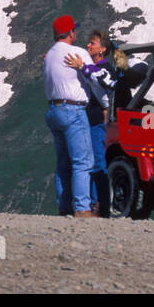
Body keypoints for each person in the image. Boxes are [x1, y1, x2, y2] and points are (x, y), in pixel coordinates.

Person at [44, 14, 97, 218]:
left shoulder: (48, 56)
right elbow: (94, 79)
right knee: (82, 161)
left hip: (53, 110)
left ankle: (64, 207)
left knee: (63, 162)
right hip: (73, 109)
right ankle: (82, 208)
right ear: (71, 32)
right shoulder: (77, 52)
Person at [65, 30, 117, 217]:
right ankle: (93, 203)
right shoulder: (92, 66)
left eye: (92, 43)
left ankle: (101, 205)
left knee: (98, 162)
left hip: (97, 122)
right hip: (90, 119)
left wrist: (82, 67)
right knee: (90, 161)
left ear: (102, 49)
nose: (88, 46)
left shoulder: (105, 68)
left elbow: (106, 81)